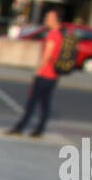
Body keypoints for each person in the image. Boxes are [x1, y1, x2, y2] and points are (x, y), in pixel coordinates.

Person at [4, 9, 63, 138]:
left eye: (48, 17)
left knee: (32, 102)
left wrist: (38, 71)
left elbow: (47, 55)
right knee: (45, 103)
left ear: (55, 20)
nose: (46, 20)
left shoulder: (52, 35)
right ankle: (39, 130)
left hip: (44, 74)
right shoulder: (59, 35)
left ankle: (20, 127)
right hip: (53, 75)